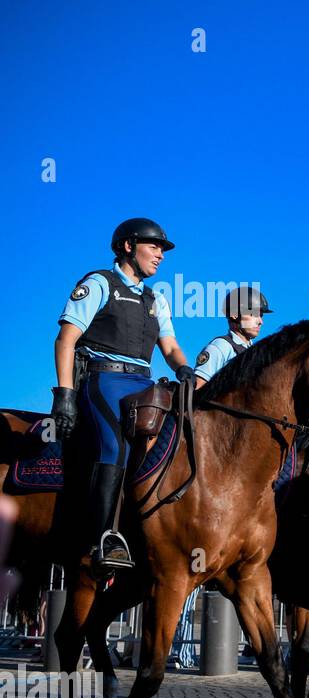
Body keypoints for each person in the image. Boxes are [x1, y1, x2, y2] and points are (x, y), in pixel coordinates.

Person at [51, 218, 193, 576]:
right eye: (154, 246)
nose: (161, 254)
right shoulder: (99, 283)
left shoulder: (156, 299)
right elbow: (66, 340)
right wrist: (65, 394)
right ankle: (102, 539)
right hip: (104, 380)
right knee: (115, 447)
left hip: (145, 383)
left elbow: (170, 345)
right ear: (128, 246)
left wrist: (183, 369)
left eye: (163, 249)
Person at [194, 286, 272, 386]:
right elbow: (198, 389)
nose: (261, 322)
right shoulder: (220, 347)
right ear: (234, 314)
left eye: (261, 315)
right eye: (254, 314)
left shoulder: (255, 352)